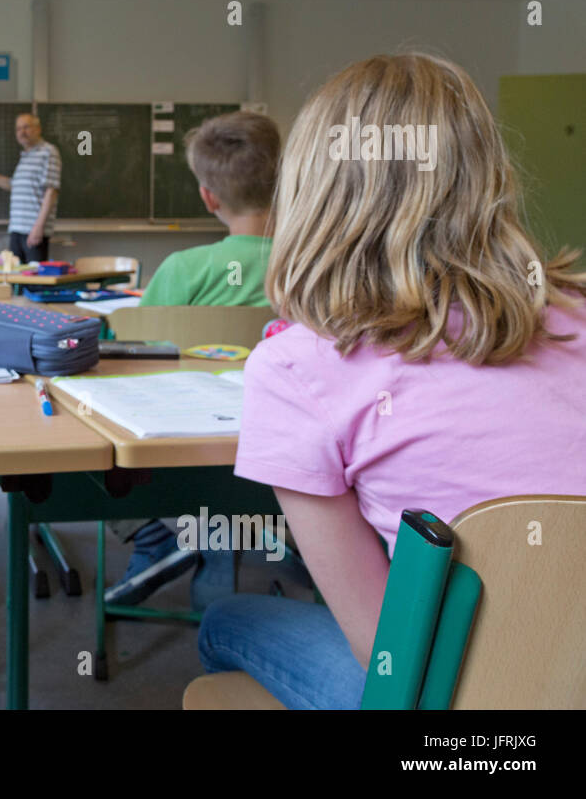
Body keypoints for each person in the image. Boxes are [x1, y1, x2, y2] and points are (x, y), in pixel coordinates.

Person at [195, 52, 586, 709]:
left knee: (225, 621)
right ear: (488, 176)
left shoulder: (296, 368)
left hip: (454, 716)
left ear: (314, 190)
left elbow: (385, 652)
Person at [107, 112, 281, 609]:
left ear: (209, 196)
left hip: (177, 456)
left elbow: (132, 360)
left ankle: (154, 533)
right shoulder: (315, 265)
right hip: (284, 464)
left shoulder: (183, 269)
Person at [0, 112, 61, 264]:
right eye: (18, 129)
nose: (22, 132)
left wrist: (38, 228)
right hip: (16, 229)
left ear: (38, 129)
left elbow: (51, 191)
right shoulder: (25, 157)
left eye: (26, 127)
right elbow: (13, 185)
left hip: (33, 231)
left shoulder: (48, 152)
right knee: (15, 280)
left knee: (33, 282)